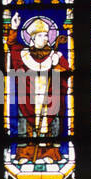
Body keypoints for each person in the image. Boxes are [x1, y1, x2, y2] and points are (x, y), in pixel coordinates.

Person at [7, 14, 70, 161]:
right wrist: (14, 28)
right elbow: (12, 46)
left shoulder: (56, 55)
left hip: (50, 98)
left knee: (53, 121)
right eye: (41, 35)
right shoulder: (23, 55)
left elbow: (67, 73)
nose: (46, 38)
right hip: (28, 97)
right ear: (32, 38)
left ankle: (50, 153)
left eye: (47, 35)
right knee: (24, 122)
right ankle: (24, 153)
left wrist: (57, 66)